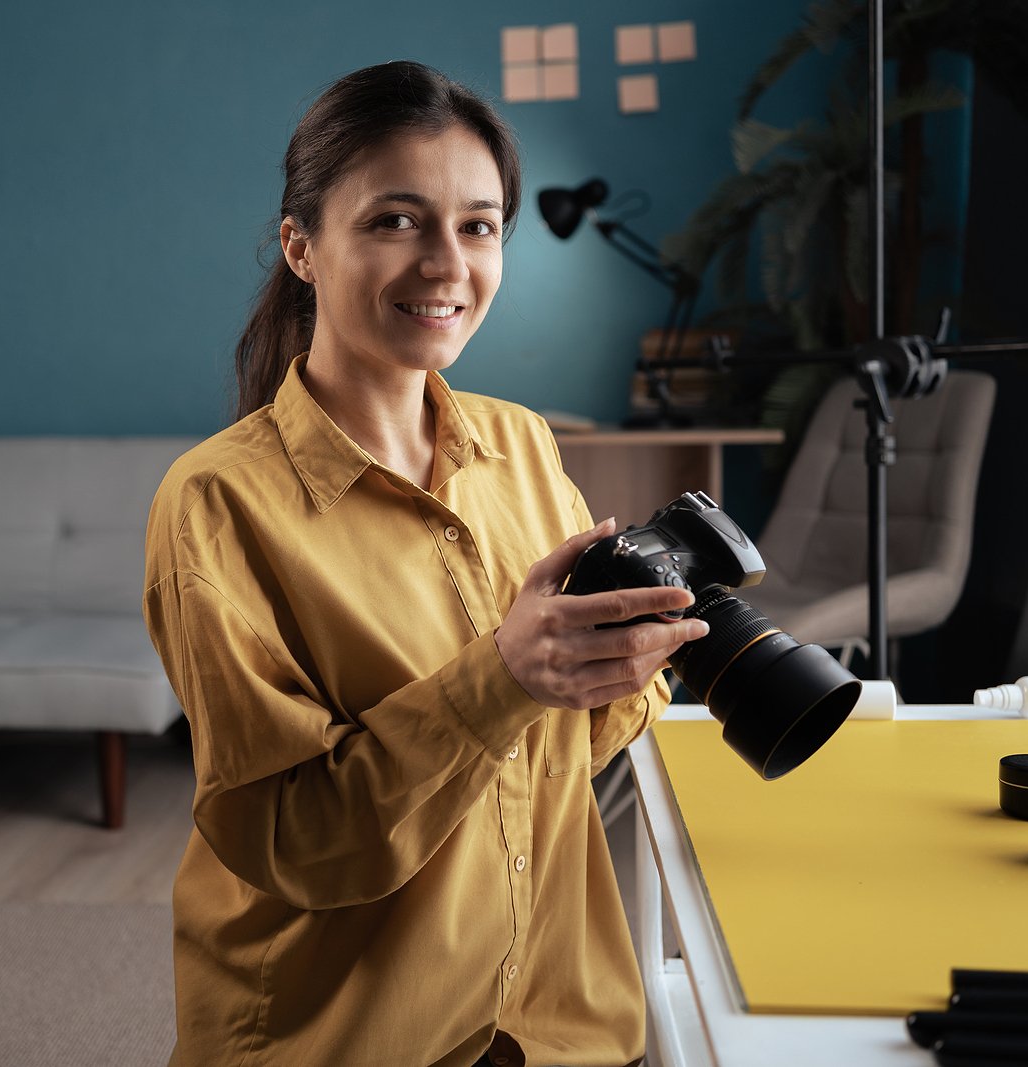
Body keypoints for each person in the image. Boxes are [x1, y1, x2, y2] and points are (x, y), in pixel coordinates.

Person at [143, 60, 707, 1067]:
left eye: (479, 225)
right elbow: (291, 837)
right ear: (302, 246)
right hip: (344, 1033)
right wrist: (502, 676)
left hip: (554, 1018)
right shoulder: (218, 502)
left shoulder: (522, 443)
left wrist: (629, 657)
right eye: (396, 220)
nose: (447, 263)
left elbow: (567, 749)